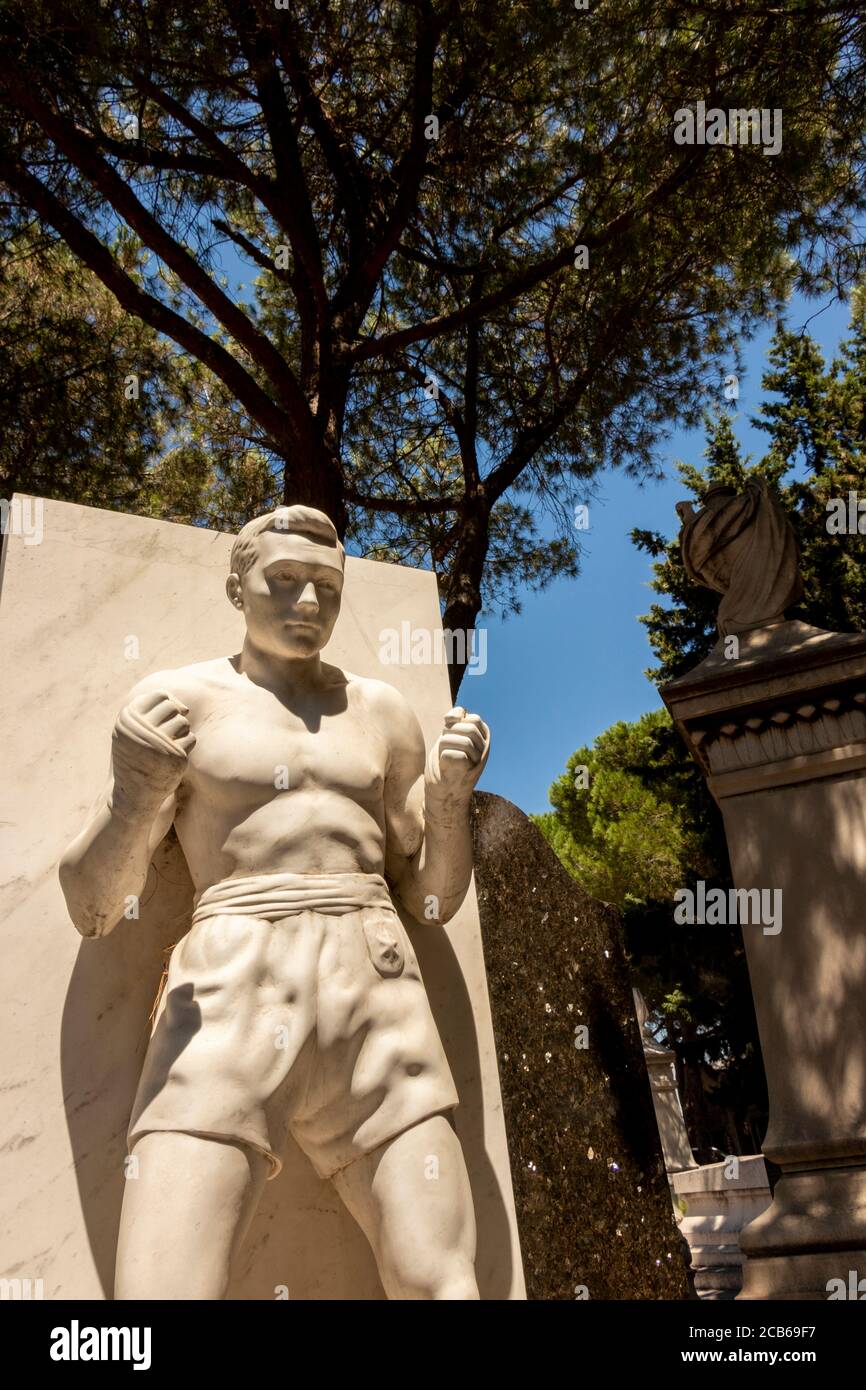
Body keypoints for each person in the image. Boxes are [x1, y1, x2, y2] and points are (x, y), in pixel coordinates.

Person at [59, 505, 490, 1300]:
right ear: (237, 585)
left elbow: (432, 902)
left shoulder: (384, 712)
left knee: (445, 1286)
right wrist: (134, 797)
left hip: (378, 991)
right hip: (229, 989)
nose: (308, 602)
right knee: (161, 1296)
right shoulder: (180, 701)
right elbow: (93, 905)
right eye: (284, 580)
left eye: (327, 585)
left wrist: (452, 801)